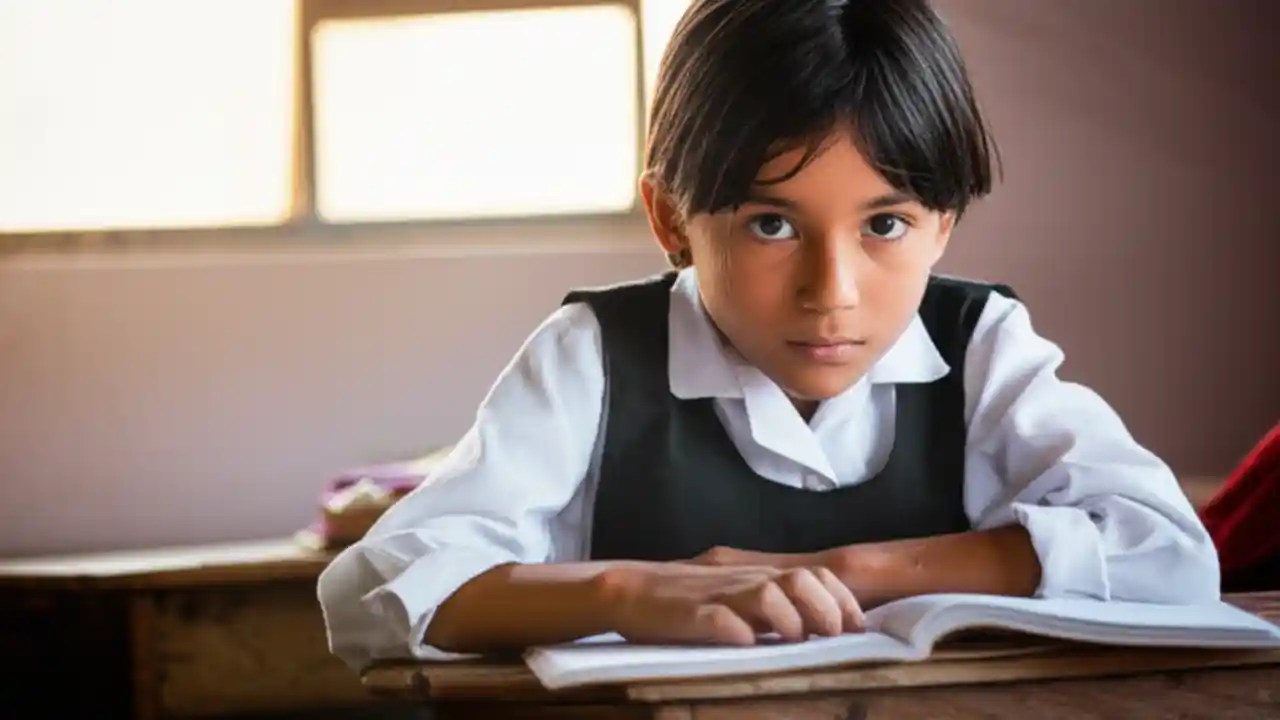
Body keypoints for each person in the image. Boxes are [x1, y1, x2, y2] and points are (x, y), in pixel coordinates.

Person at [318, 0, 1219, 670]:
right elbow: (373, 591)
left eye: (887, 225)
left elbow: (1166, 553)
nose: (832, 292)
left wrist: (847, 569)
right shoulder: (594, 352)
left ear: (944, 224)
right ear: (671, 216)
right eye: (771, 226)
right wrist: (634, 590)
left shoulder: (980, 343)